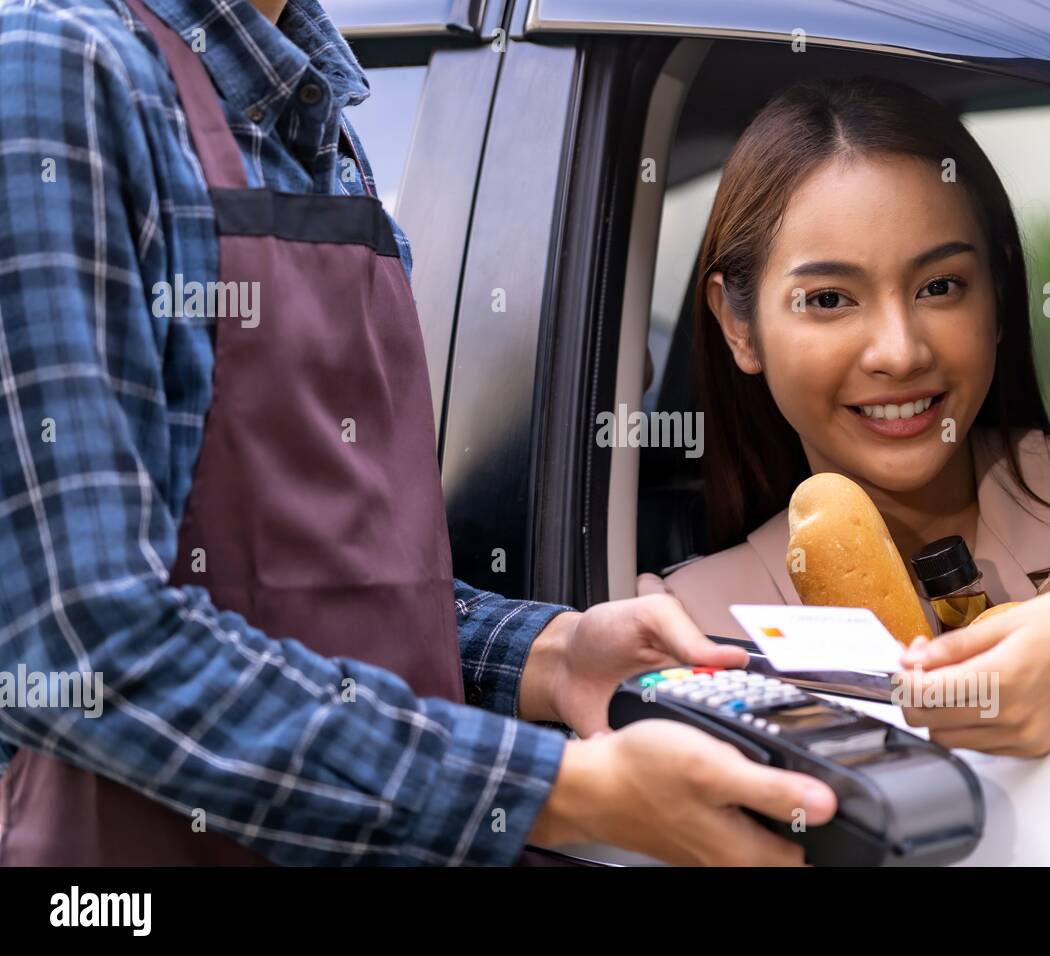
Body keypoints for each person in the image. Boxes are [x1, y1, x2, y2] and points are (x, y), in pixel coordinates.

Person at [0, 0, 837, 866]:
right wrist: (562, 791)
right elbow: (76, 643)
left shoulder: (323, 118)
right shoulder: (64, 66)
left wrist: (554, 656)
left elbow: (331, 599)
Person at [638, 77, 1050, 756]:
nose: (899, 352)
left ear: (999, 295)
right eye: (830, 299)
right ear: (740, 327)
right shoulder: (694, 623)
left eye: (940, 286)